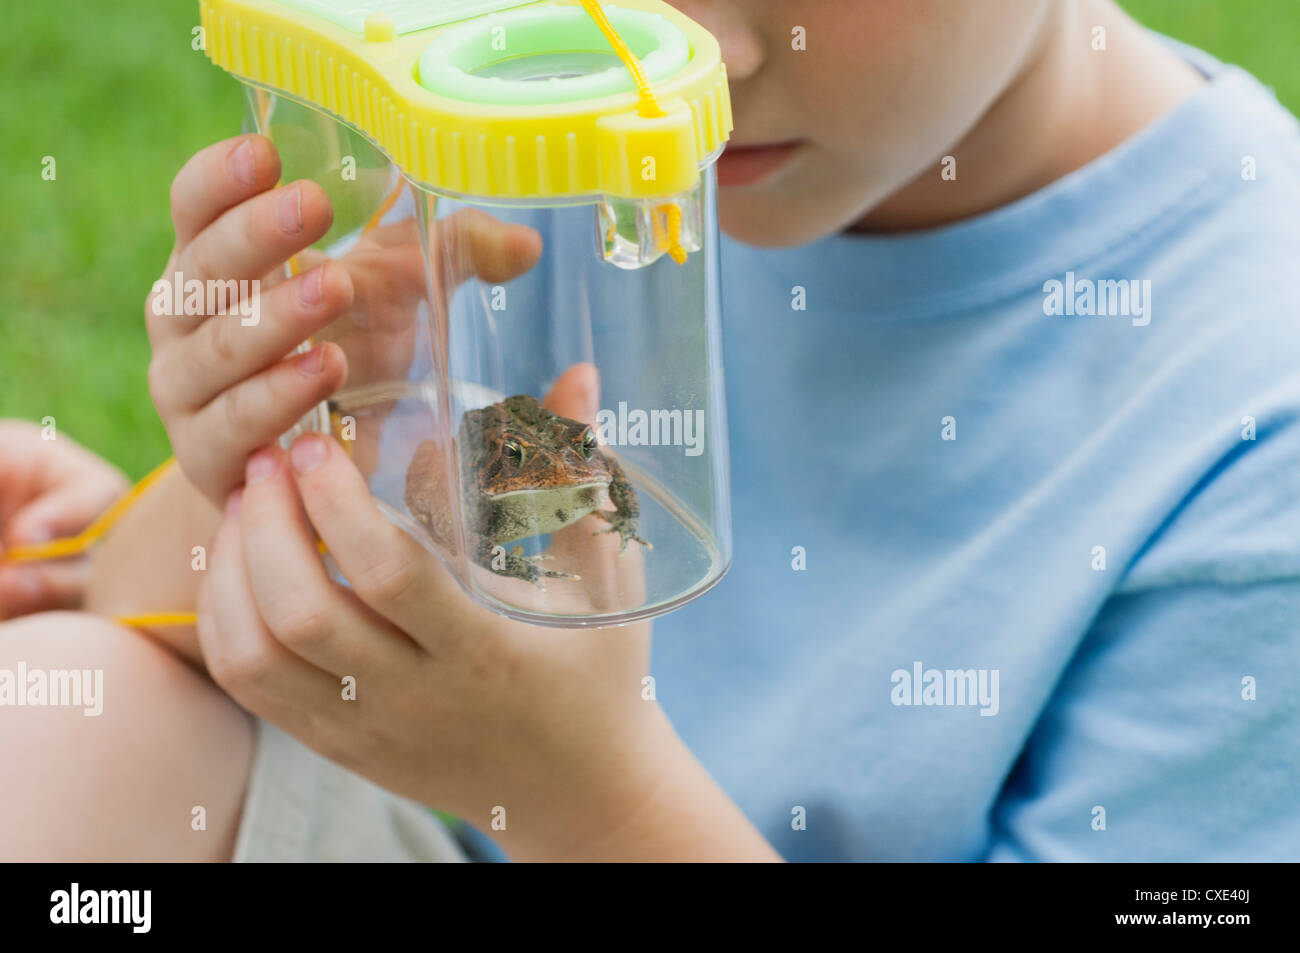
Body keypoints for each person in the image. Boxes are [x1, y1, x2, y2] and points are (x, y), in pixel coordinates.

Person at [3, 0, 1298, 861]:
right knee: (61, 730)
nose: (687, 46)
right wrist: (244, 484)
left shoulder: (1252, 412)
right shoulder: (562, 129)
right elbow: (188, 634)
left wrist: (581, 786)